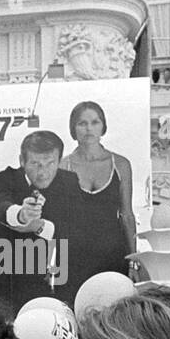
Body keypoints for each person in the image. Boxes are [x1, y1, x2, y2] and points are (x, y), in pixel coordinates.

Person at [0, 130, 81, 308]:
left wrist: (40, 226)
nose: (43, 172)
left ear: (59, 161)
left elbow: (76, 228)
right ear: (22, 161)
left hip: (50, 285)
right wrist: (21, 215)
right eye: (35, 163)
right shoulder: (1, 180)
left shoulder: (70, 183)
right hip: (0, 285)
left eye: (50, 163)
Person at [60, 101, 137, 277]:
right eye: (82, 123)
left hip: (113, 254)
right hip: (75, 257)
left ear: (103, 127)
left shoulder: (121, 164)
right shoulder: (63, 166)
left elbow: (127, 215)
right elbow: (57, 220)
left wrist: (133, 262)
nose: (89, 129)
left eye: (95, 122)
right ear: (73, 128)